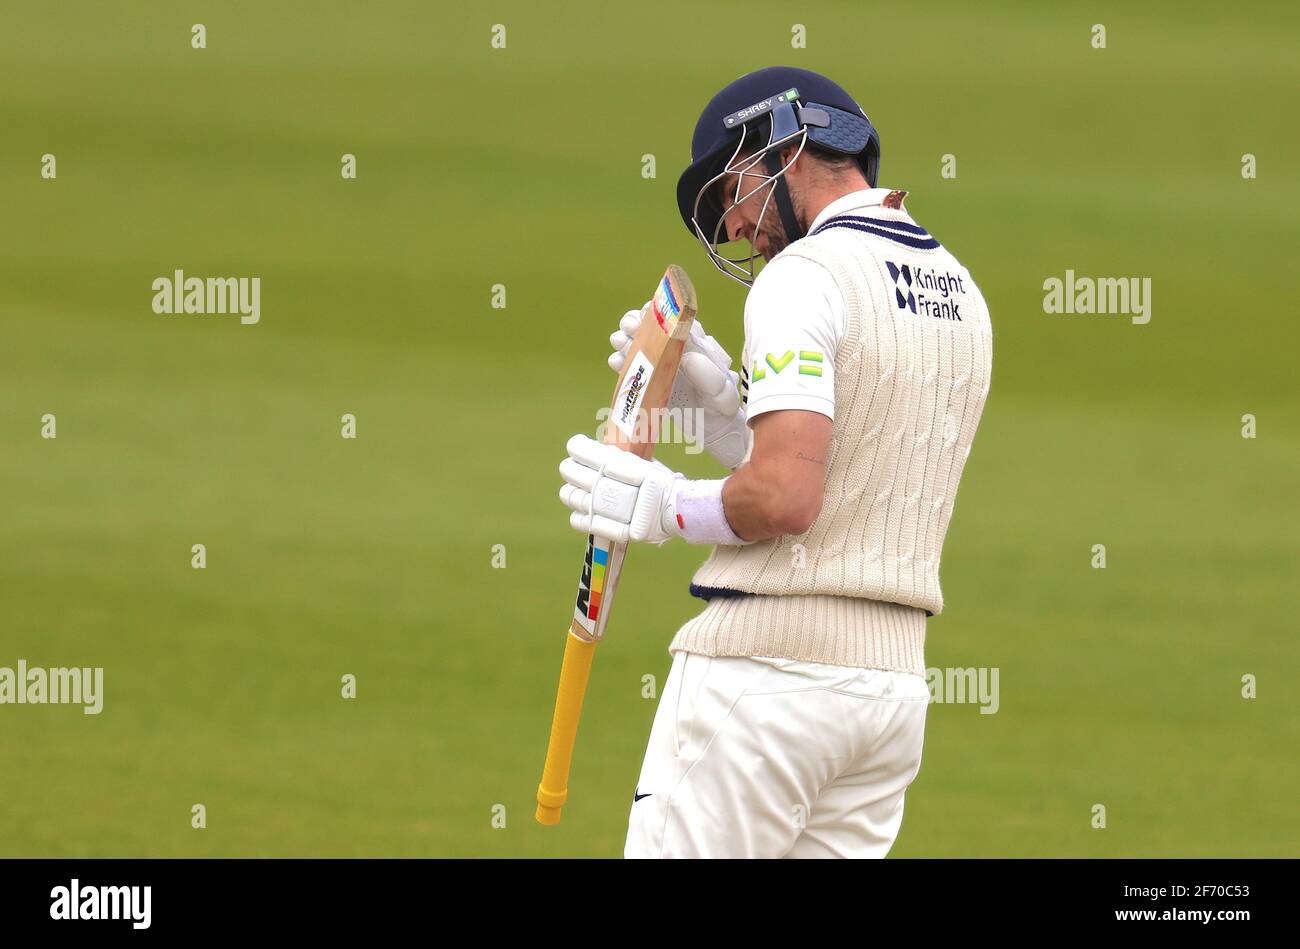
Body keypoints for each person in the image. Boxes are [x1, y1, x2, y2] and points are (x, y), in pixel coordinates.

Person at [558, 65, 993, 858]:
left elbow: (788, 497)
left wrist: (658, 503)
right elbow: (845, 475)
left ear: (785, 144)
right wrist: (726, 415)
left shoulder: (804, 277)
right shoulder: (958, 290)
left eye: (730, 192)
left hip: (765, 683)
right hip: (887, 702)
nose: (732, 228)